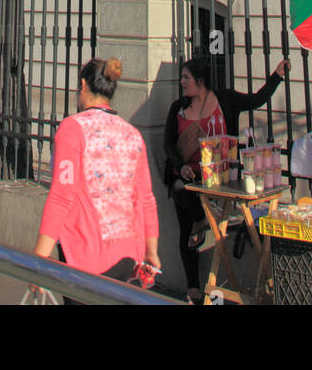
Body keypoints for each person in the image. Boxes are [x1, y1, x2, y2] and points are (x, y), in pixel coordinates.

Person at [164, 52, 290, 303]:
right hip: (187, 176)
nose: (182, 82)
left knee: (193, 216)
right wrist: (181, 166)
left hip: (219, 177)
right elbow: (168, 144)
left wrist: (276, 76)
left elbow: (256, 100)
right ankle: (192, 285)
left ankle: (203, 222)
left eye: (186, 78)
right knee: (184, 209)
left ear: (200, 80)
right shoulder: (178, 108)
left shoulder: (226, 99)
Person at [32, 57, 160, 304]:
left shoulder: (72, 128)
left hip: (84, 255)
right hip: (128, 256)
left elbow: (61, 196)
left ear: (83, 85)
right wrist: (151, 250)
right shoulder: (132, 135)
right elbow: (146, 198)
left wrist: (39, 258)